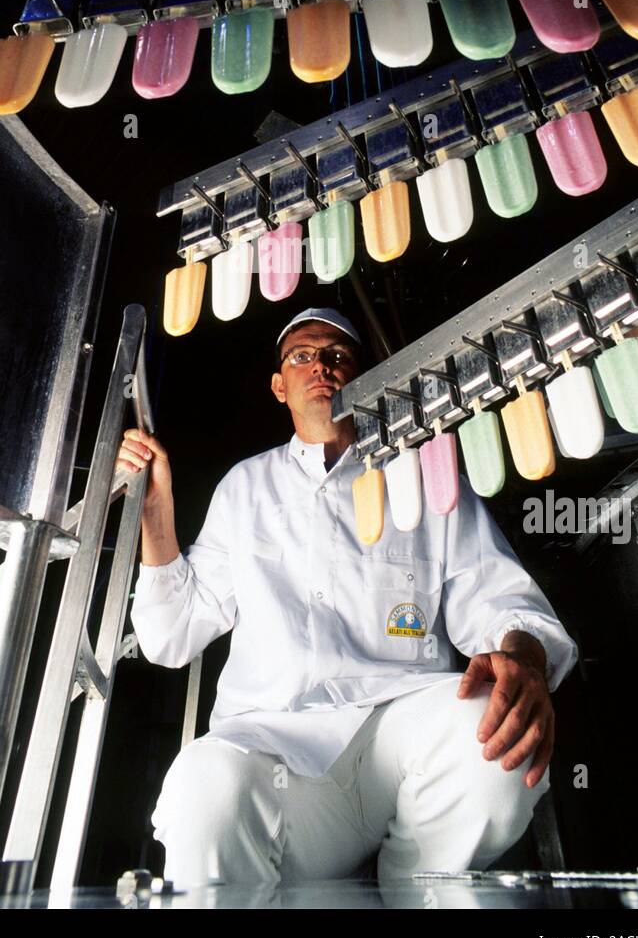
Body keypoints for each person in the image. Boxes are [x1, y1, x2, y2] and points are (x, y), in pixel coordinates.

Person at [117, 306, 579, 889]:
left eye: (338, 356)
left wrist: (525, 657)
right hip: (276, 754)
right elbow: (169, 636)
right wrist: (155, 513)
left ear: (365, 376)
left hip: (401, 748)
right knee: (201, 787)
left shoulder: (425, 477)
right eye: (303, 356)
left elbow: (500, 600)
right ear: (278, 386)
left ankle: (416, 893)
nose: (321, 368)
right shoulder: (245, 488)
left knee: (490, 723)